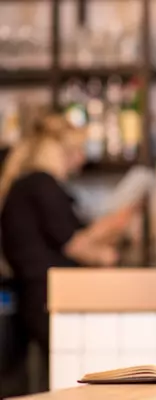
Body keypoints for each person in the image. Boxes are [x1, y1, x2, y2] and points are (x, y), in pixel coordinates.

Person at [0, 113, 139, 393]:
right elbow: (75, 243)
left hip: (37, 296)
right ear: (63, 151)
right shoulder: (42, 185)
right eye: (78, 151)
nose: (82, 159)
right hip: (46, 298)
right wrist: (113, 233)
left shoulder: (31, 185)